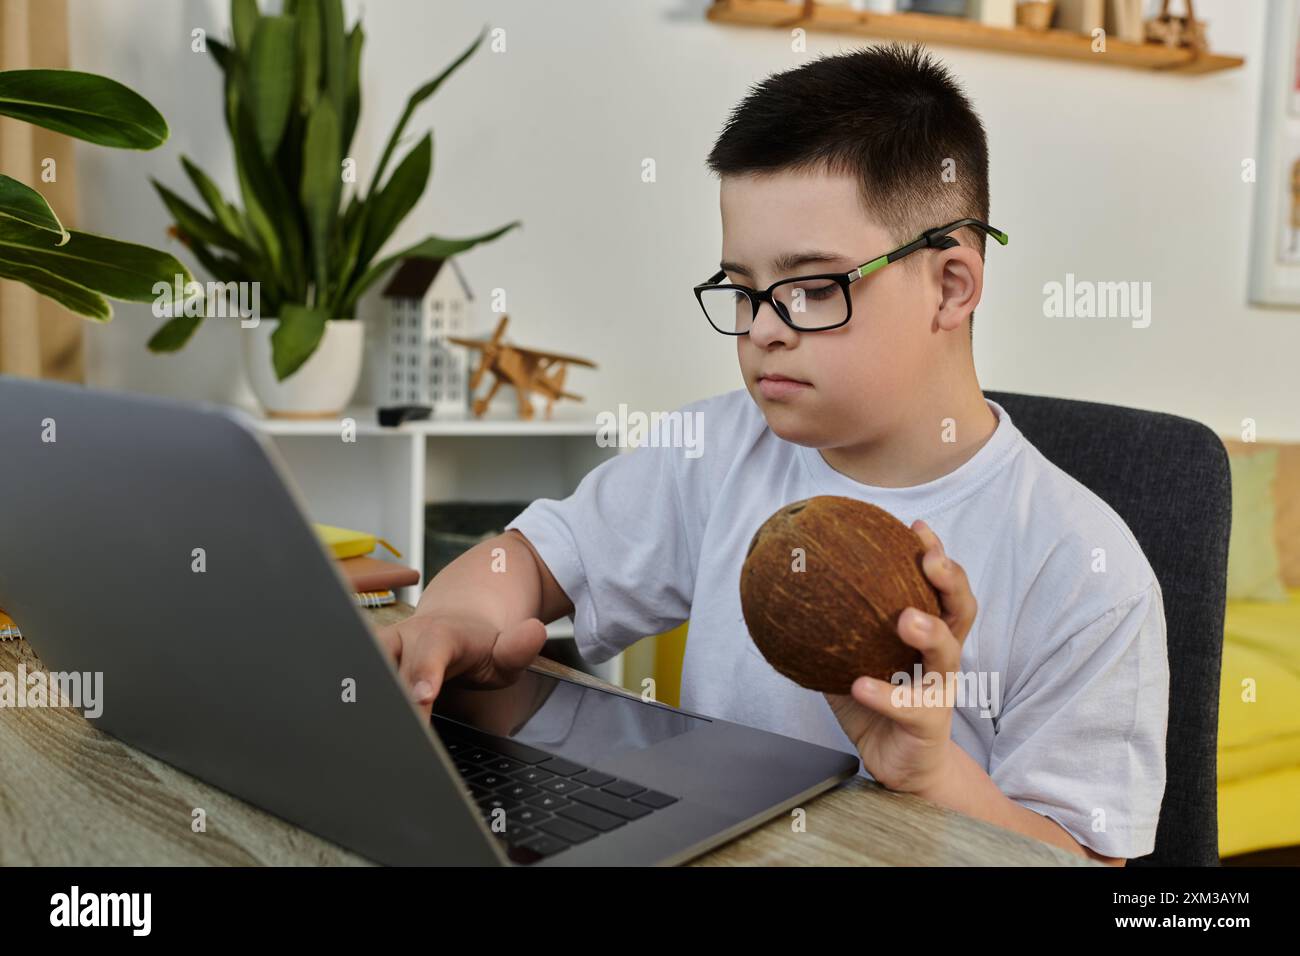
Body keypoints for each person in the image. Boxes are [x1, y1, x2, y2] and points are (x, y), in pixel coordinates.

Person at [376, 44, 1168, 867]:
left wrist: (932, 774)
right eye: (743, 290)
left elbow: (1087, 864)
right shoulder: (721, 449)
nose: (762, 330)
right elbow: (536, 561)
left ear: (951, 286)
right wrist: (456, 618)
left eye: (813, 288)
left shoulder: (1085, 568)